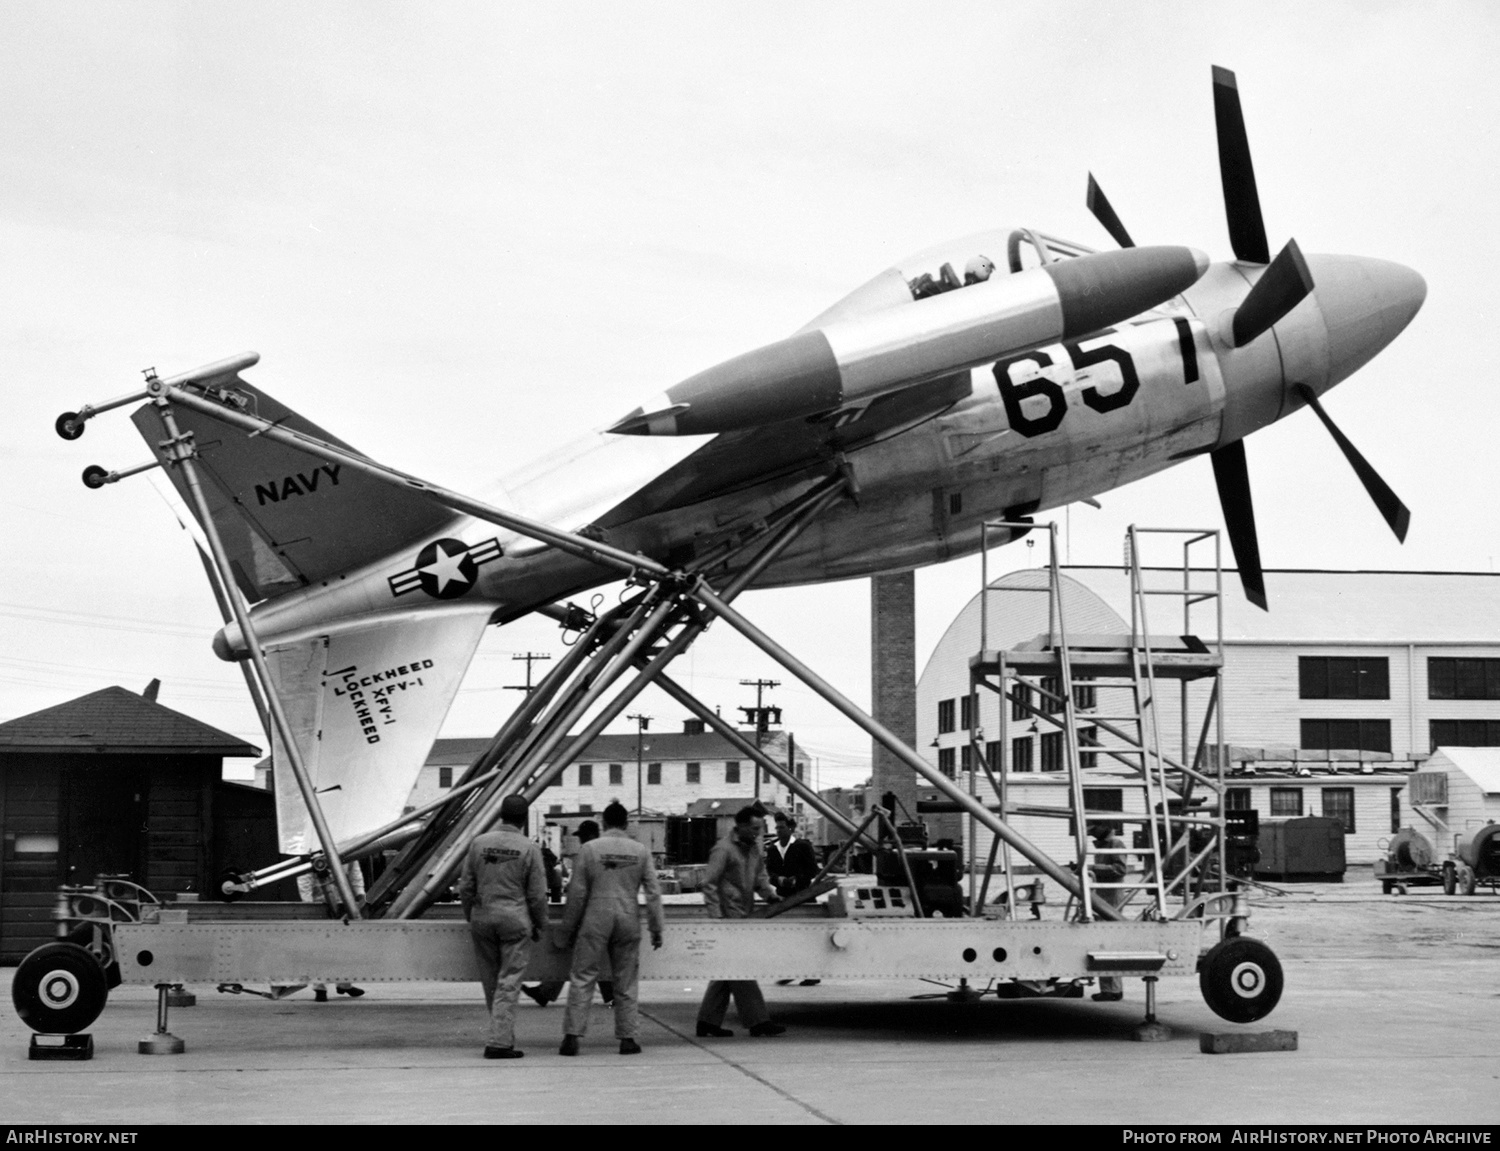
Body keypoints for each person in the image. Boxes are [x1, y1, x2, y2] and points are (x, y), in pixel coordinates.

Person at [557, 801, 664, 1056]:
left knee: (583, 977)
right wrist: (656, 927)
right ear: (627, 824)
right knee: (625, 981)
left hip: (596, 916)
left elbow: (577, 893)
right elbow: (653, 892)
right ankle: (628, 1038)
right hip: (627, 916)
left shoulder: (590, 849)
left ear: (603, 823)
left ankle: (572, 1036)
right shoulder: (640, 850)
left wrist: (568, 929)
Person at [458, 794, 549, 1059]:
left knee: (491, 981)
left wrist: (471, 915)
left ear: (501, 814)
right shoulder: (529, 848)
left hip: (482, 918)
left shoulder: (479, 844)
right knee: (509, 982)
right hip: (514, 920)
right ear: (523, 819)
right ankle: (499, 1042)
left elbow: (465, 886)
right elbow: (537, 895)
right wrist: (540, 924)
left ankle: (499, 1034)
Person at [696, 807, 786, 1038]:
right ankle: (759, 1021)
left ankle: (707, 1021)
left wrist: (770, 895)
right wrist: (717, 918)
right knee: (740, 968)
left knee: (727, 970)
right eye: (755, 828)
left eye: (760, 829)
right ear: (741, 826)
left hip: (742, 915)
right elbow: (708, 883)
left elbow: (760, 877)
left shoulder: (753, 848)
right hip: (728, 917)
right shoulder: (723, 849)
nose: (758, 833)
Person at [523, 820, 613, 1007]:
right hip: (608, 912)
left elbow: (577, 892)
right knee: (594, 956)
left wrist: (568, 925)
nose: (579, 841)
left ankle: (545, 992)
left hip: (590, 916)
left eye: (581, 837)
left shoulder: (587, 853)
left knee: (573, 955)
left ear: (588, 835)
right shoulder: (605, 851)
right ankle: (610, 993)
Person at [271, 861, 366, 1001]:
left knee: (344, 946)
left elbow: (355, 873)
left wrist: (360, 893)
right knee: (319, 948)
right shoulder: (315, 850)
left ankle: (344, 984)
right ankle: (320, 988)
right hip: (320, 903)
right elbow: (304, 879)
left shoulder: (350, 850)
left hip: (342, 901)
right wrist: (310, 907)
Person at [766, 812, 822, 987]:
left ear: (790, 829)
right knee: (786, 937)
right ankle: (789, 971)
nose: (778, 830)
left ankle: (812, 973)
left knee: (806, 938)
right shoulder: (773, 849)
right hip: (783, 897)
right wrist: (779, 880)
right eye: (777, 827)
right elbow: (769, 873)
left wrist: (798, 879)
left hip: (803, 896)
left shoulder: (803, 846)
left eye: (781, 827)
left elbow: (813, 870)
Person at [1088, 821, 1128, 1002]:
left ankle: (1112, 990)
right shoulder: (1104, 845)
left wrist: (1093, 868)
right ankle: (1109, 989)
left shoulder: (1115, 844)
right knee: (1102, 943)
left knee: (1107, 943)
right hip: (1103, 897)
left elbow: (1119, 869)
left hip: (1111, 899)